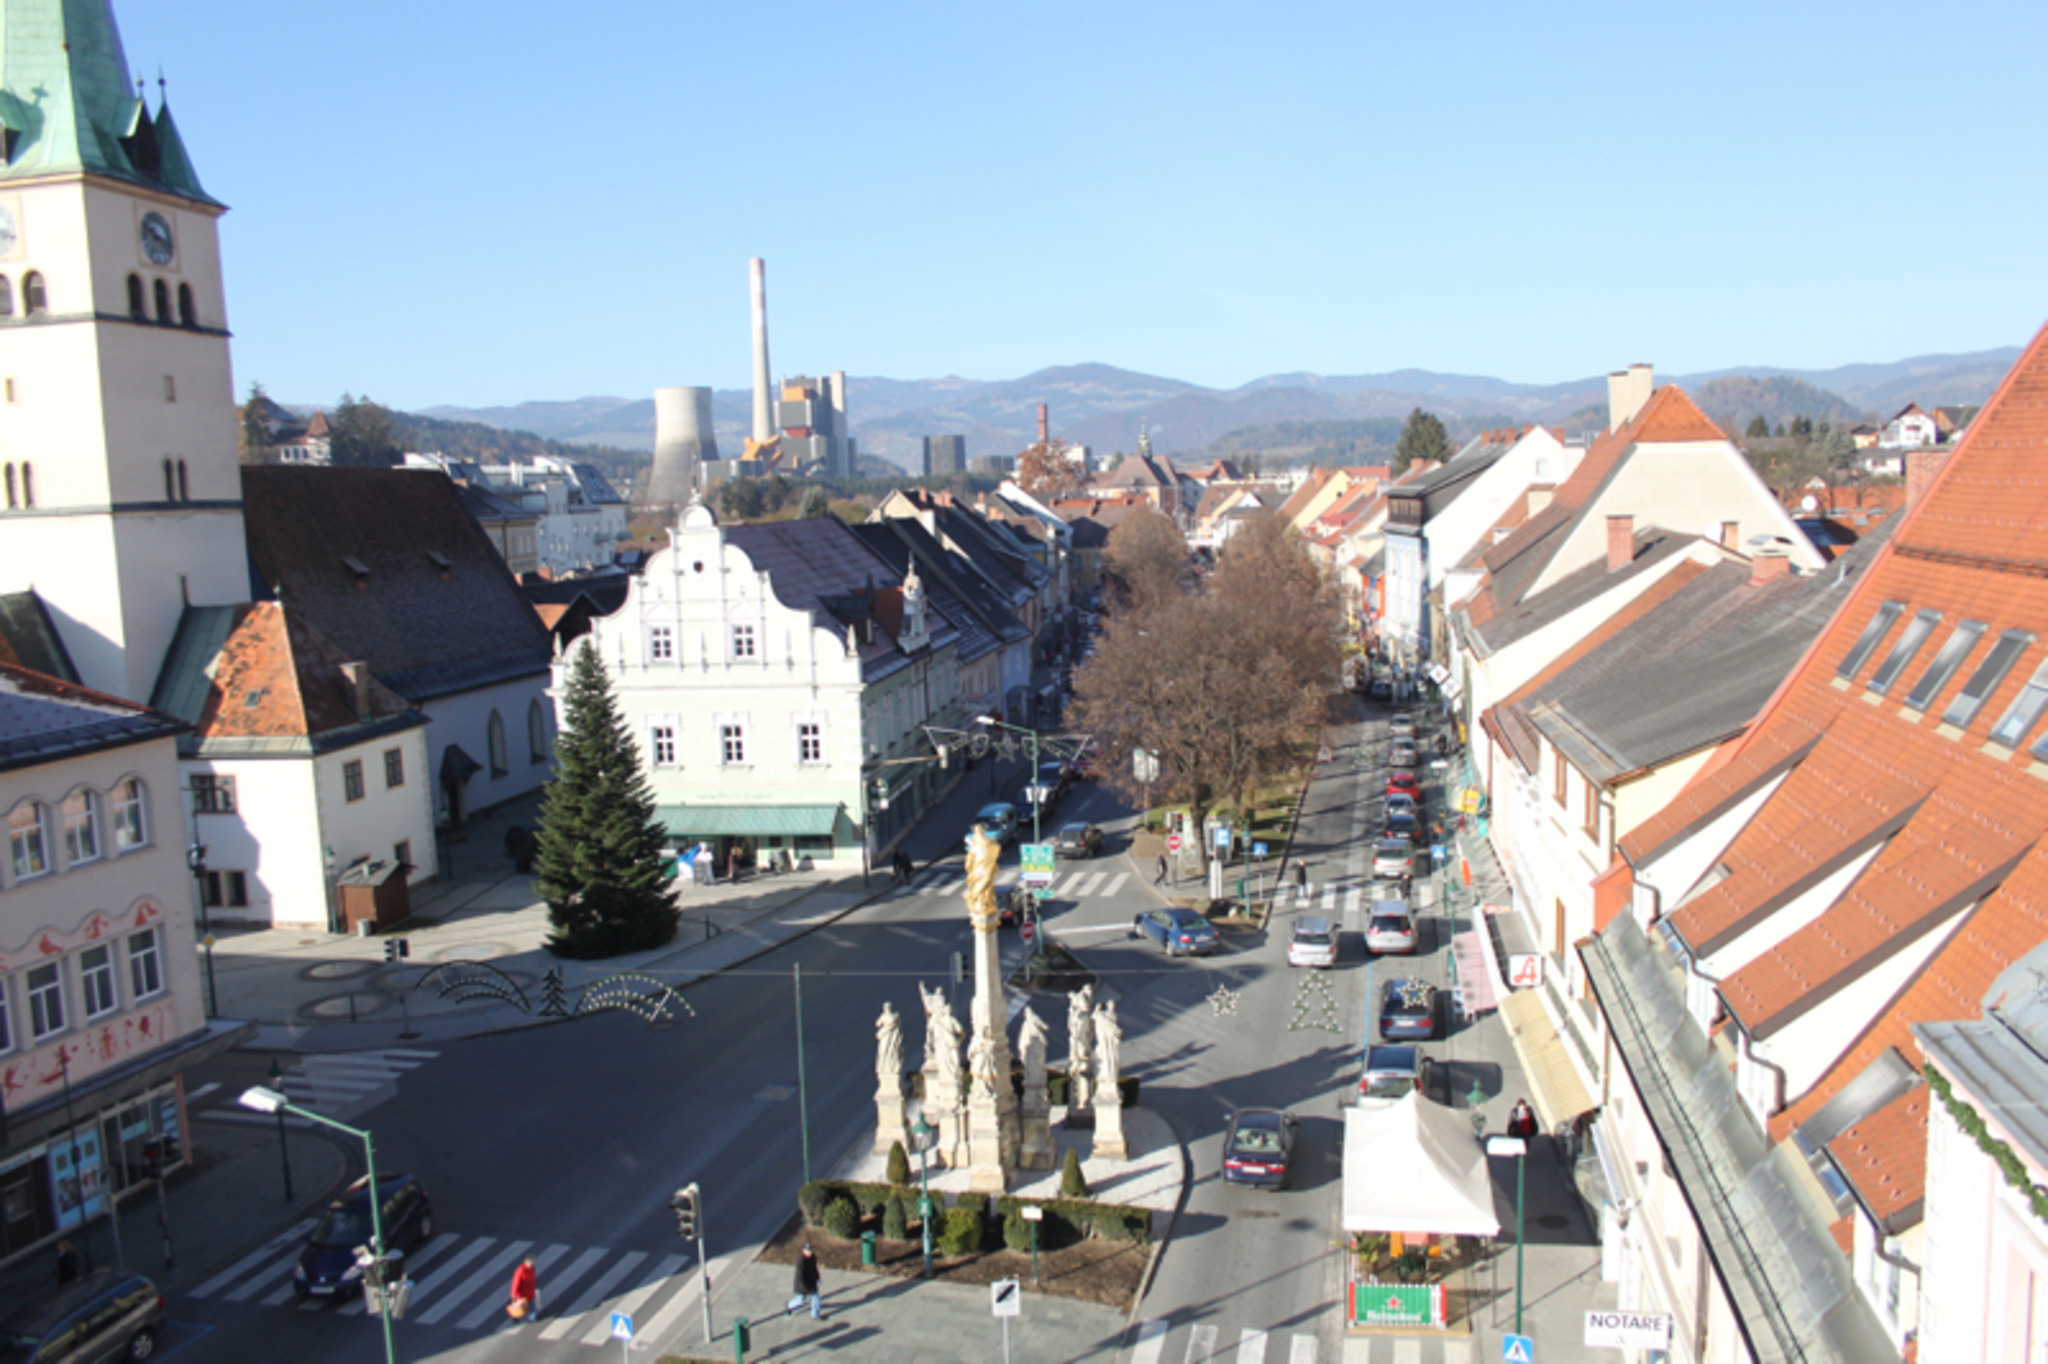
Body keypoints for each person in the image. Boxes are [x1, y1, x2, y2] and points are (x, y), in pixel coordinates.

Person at [793, 1241, 823, 1320]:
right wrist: (805, 1285)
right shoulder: (801, 1261)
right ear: (803, 1251)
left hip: (811, 1281)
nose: (809, 1252)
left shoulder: (813, 1257)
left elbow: (814, 1269)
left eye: (810, 1250)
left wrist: (818, 1278)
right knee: (801, 1299)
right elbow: (800, 1275)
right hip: (803, 1284)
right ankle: (790, 1306)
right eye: (807, 1251)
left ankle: (815, 1314)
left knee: (815, 1297)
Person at [507, 1253, 539, 1323]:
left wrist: (534, 1284)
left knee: (532, 1305)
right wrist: (513, 1294)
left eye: (533, 1261)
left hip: (530, 1291)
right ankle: (515, 1316)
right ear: (527, 1261)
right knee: (519, 1307)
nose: (533, 1263)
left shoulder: (532, 1268)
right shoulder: (520, 1270)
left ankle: (532, 1317)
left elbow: (532, 1277)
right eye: (532, 1262)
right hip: (521, 1293)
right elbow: (515, 1283)